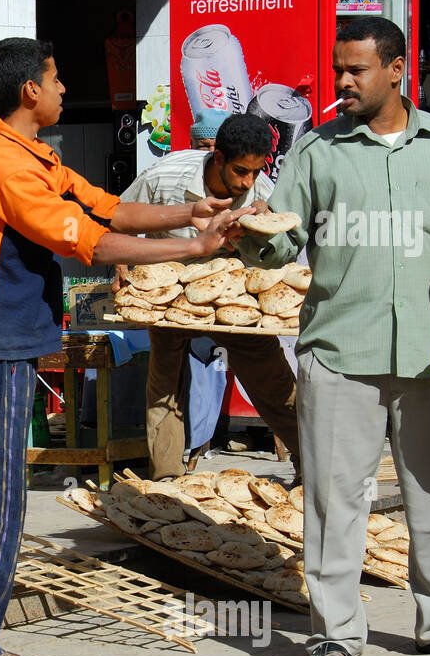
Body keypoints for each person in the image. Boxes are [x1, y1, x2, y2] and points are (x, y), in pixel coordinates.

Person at [0, 38, 249, 656]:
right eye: (57, 78)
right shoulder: (8, 169)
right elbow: (93, 241)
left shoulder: (28, 155)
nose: (64, 90)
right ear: (30, 90)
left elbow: (107, 205)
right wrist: (194, 249)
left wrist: (190, 212)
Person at [232, 17, 430, 656]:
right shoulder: (317, 151)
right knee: (332, 498)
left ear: (397, 69)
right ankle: (335, 631)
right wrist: (251, 235)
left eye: (356, 70)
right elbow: (282, 240)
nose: (341, 82)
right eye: (337, 69)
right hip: (339, 350)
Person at [112, 113, 301, 483]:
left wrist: (262, 231)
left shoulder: (260, 192)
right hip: (170, 293)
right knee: (164, 385)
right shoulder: (164, 176)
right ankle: (168, 480)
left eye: (255, 171)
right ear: (218, 158)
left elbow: (281, 253)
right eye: (241, 171)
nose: (248, 181)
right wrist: (122, 260)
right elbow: (120, 216)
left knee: (271, 379)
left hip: (231, 295)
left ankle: (312, 466)